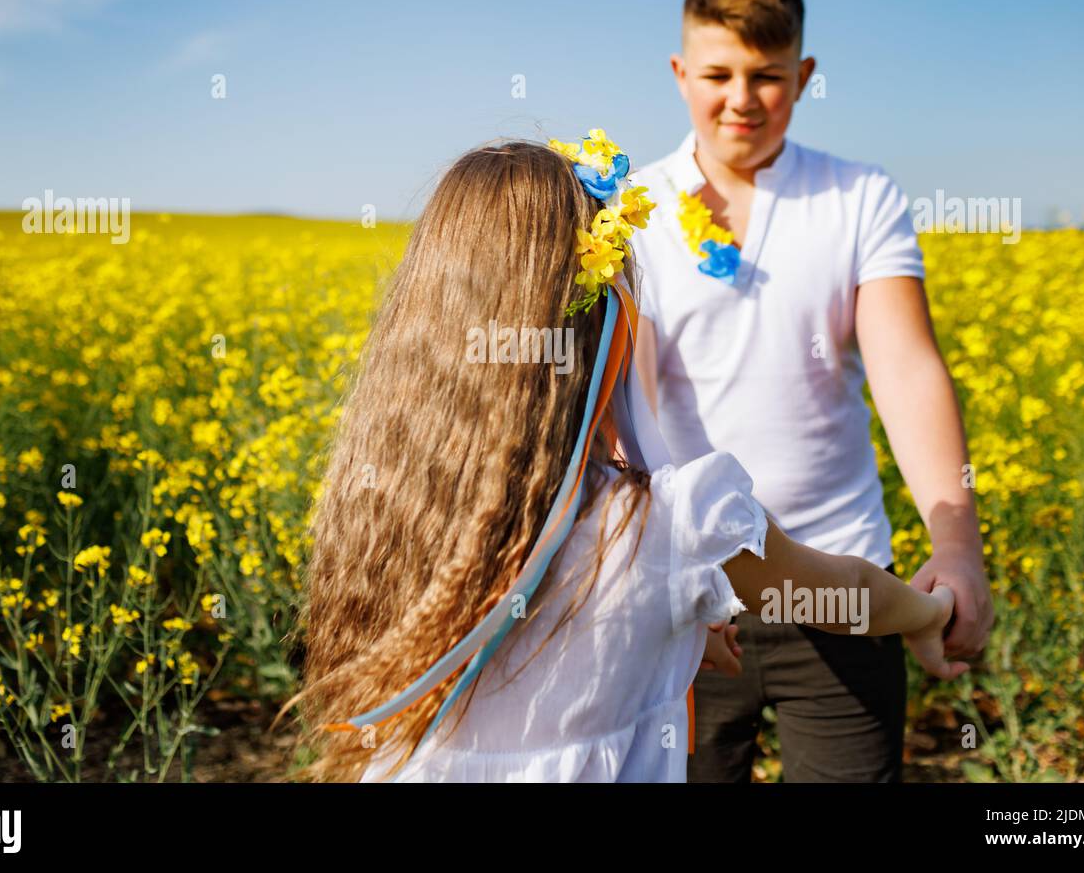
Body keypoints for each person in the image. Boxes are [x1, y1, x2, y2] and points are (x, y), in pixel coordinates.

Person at [289, 130, 966, 784]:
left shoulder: (382, 509)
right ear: (600, 320)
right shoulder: (669, 525)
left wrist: (671, 622)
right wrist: (930, 614)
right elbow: (837, 591)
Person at [629, 0, 993, 783]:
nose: (742, 99)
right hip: (689, 601)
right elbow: (630, 406)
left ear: (806, 73)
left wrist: (957, 545)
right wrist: (661, 573)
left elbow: (906, 369)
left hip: (844, 586)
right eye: (717, 73)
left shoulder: (859, 196)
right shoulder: (634, 211)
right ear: (680, 73)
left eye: (768, 75)